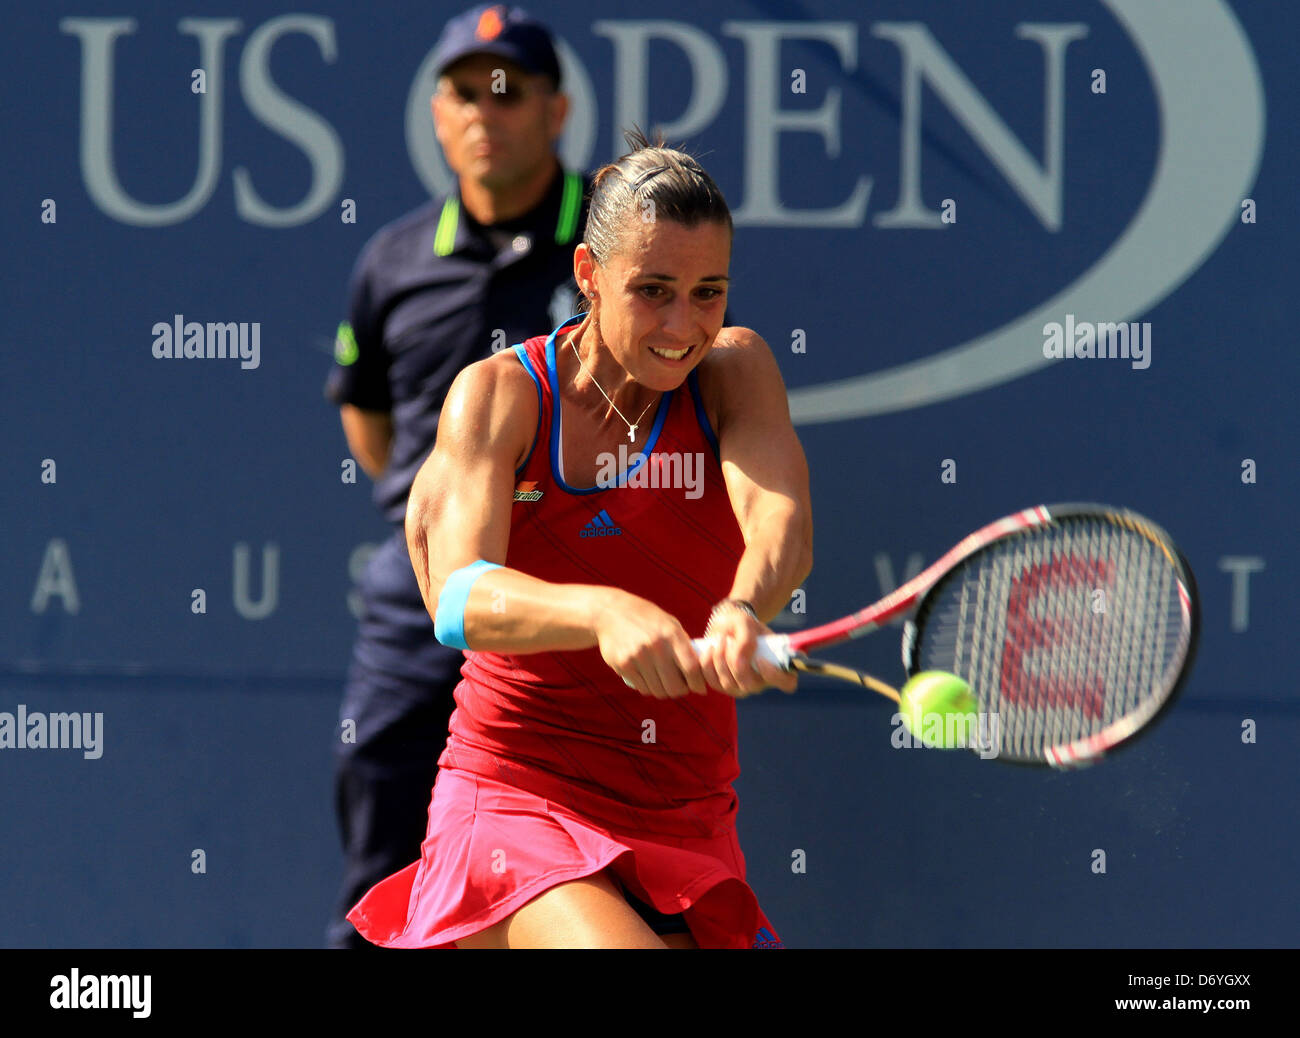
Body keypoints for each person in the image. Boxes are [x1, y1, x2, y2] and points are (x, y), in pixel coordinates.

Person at [345, 130, 814, 949]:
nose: (684, 323)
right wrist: (602, 613)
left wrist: (745, 604)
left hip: (689, 816)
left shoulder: (738, 374)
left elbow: (781, 523)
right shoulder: (500, 396)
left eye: (709, 292)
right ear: (589, 276)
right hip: (519, 801)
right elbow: (458, 596)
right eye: (654, 289)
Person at [324, 4, 588, 950]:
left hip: (571, 585)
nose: (486, 111)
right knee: (383, 826)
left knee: (581, 846)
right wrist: (432, 516)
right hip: (418, 593)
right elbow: (369, 415)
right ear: (437, 116)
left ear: (557, 112)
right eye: (464, 93)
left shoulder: (616, 250)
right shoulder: (390, 258)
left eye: (509, 90)